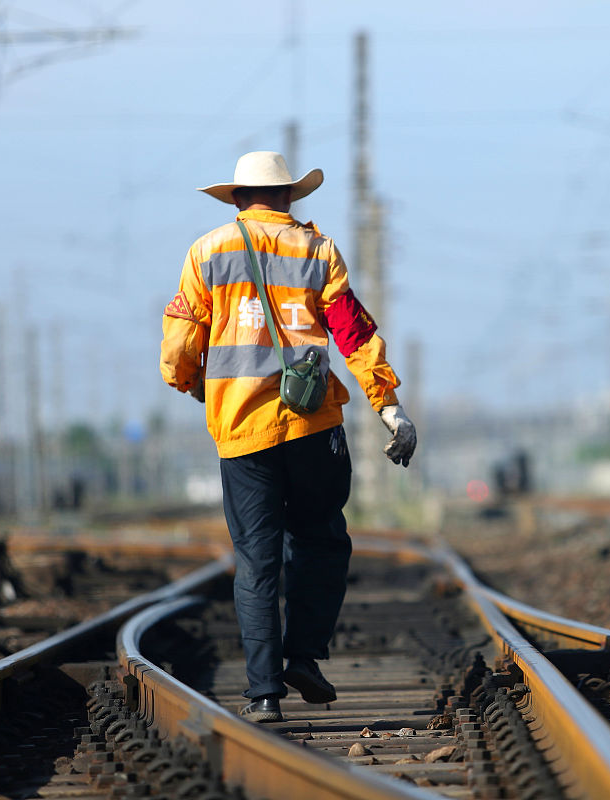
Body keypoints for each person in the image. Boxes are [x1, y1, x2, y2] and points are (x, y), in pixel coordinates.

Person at [159, 151, 417, 723]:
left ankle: (263, 695)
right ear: (290, 198)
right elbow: (352, 330)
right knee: (321, 540)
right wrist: (389, 406)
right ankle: (303, 655)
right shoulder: (316, 249)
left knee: (256, 561)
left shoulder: (207, 252)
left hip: (241, 430)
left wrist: (195, 385)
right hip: (311, 422)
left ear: (235, 198)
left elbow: (178, 348)